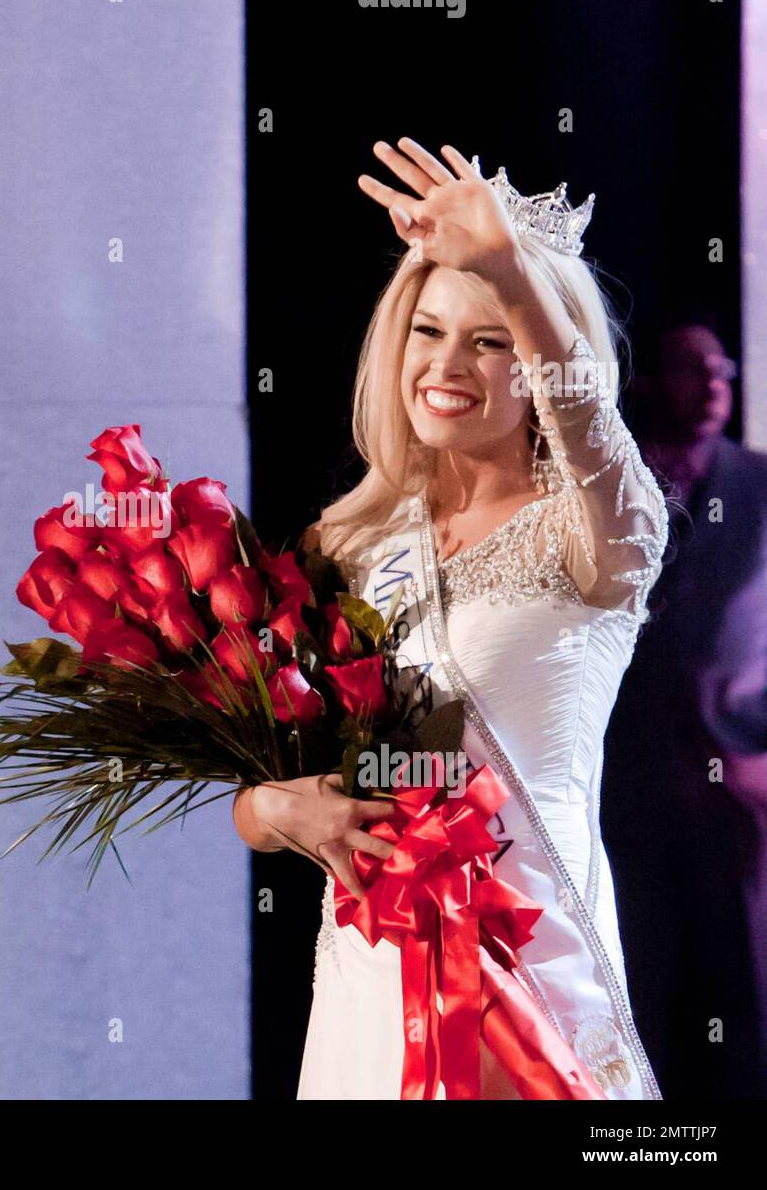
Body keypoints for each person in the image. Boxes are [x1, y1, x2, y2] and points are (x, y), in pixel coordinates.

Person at [233, 137, 669, 1099]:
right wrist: (273, 811)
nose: (446, 364)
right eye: (429, 330)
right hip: (368, 972)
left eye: (491, 338)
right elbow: (256, 782)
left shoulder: (598, 530)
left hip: (535, 970)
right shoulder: (345, 545)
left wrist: (512, 268)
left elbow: (591, 428)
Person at [602, 319, 767, 1099]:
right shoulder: (612, 484)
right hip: (626, 786)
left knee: (746, 999)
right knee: (637, 990)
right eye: (688, 368)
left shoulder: (762, 485)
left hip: (739, 789)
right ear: (647, 382)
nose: (711, 384)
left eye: (722, 369)